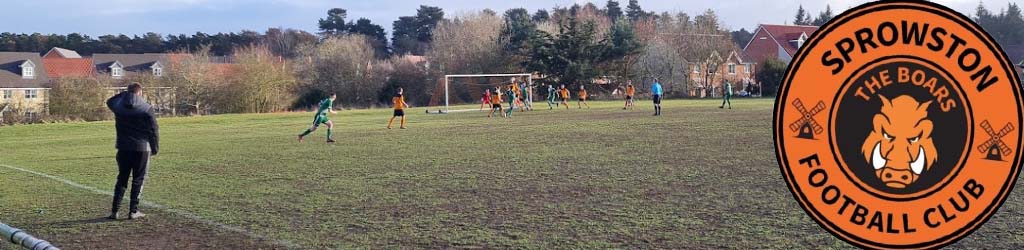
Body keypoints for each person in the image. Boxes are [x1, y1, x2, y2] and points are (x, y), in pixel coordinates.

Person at [106, 83, 159, 220]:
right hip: (142, 149)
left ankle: (114, 211)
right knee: (138, 179)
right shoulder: (147, 108)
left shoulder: (118, 107)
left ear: (127, 92)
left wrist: (123, 94)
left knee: (122, 179)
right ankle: (133, 211)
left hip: (123, 147)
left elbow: (109, 101)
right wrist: (155, 147)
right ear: (140, 93)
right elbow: (153, 130)